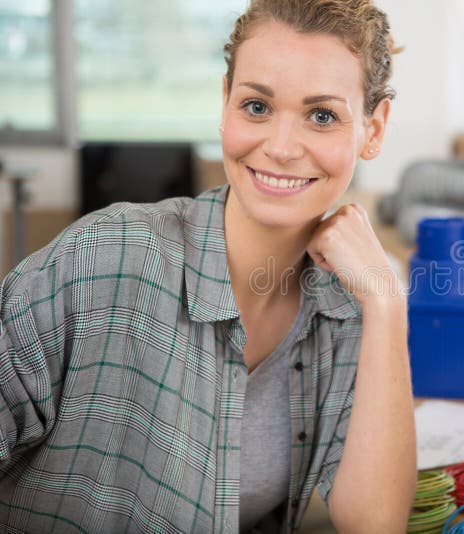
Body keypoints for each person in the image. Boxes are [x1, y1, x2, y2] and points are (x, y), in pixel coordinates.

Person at [0, 0, 416, 532]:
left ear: (373, 130)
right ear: (225, 103)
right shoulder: (102, 259)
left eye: (322, 116)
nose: (282, 148)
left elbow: (374, 524)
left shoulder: (347, 309)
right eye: (257, 107)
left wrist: (386, 302)